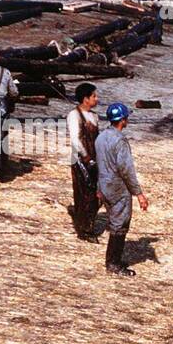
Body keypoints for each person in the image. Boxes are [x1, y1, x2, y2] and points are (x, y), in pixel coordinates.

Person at [95, 102, 149, 275]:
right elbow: (126, 170)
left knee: (114, 222)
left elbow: (99, 165)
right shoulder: (120, 141)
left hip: (104, 186)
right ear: (123, 120)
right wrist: (139, 194)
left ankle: (114, 260)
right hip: (118, 188)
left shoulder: (100, 137)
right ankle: (113, 264)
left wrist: (98, 188)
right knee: (120, 224)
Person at [64, 82, 100, 240]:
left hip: (94, 158)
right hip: (80, 160)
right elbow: (75, 140)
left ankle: (87, 223)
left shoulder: (95, 116)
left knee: (96, 194)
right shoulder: (74, 115)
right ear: (85, 98)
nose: (96, 99)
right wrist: (86, 157)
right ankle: (84, 230)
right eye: (94, 96)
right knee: (84, 193)